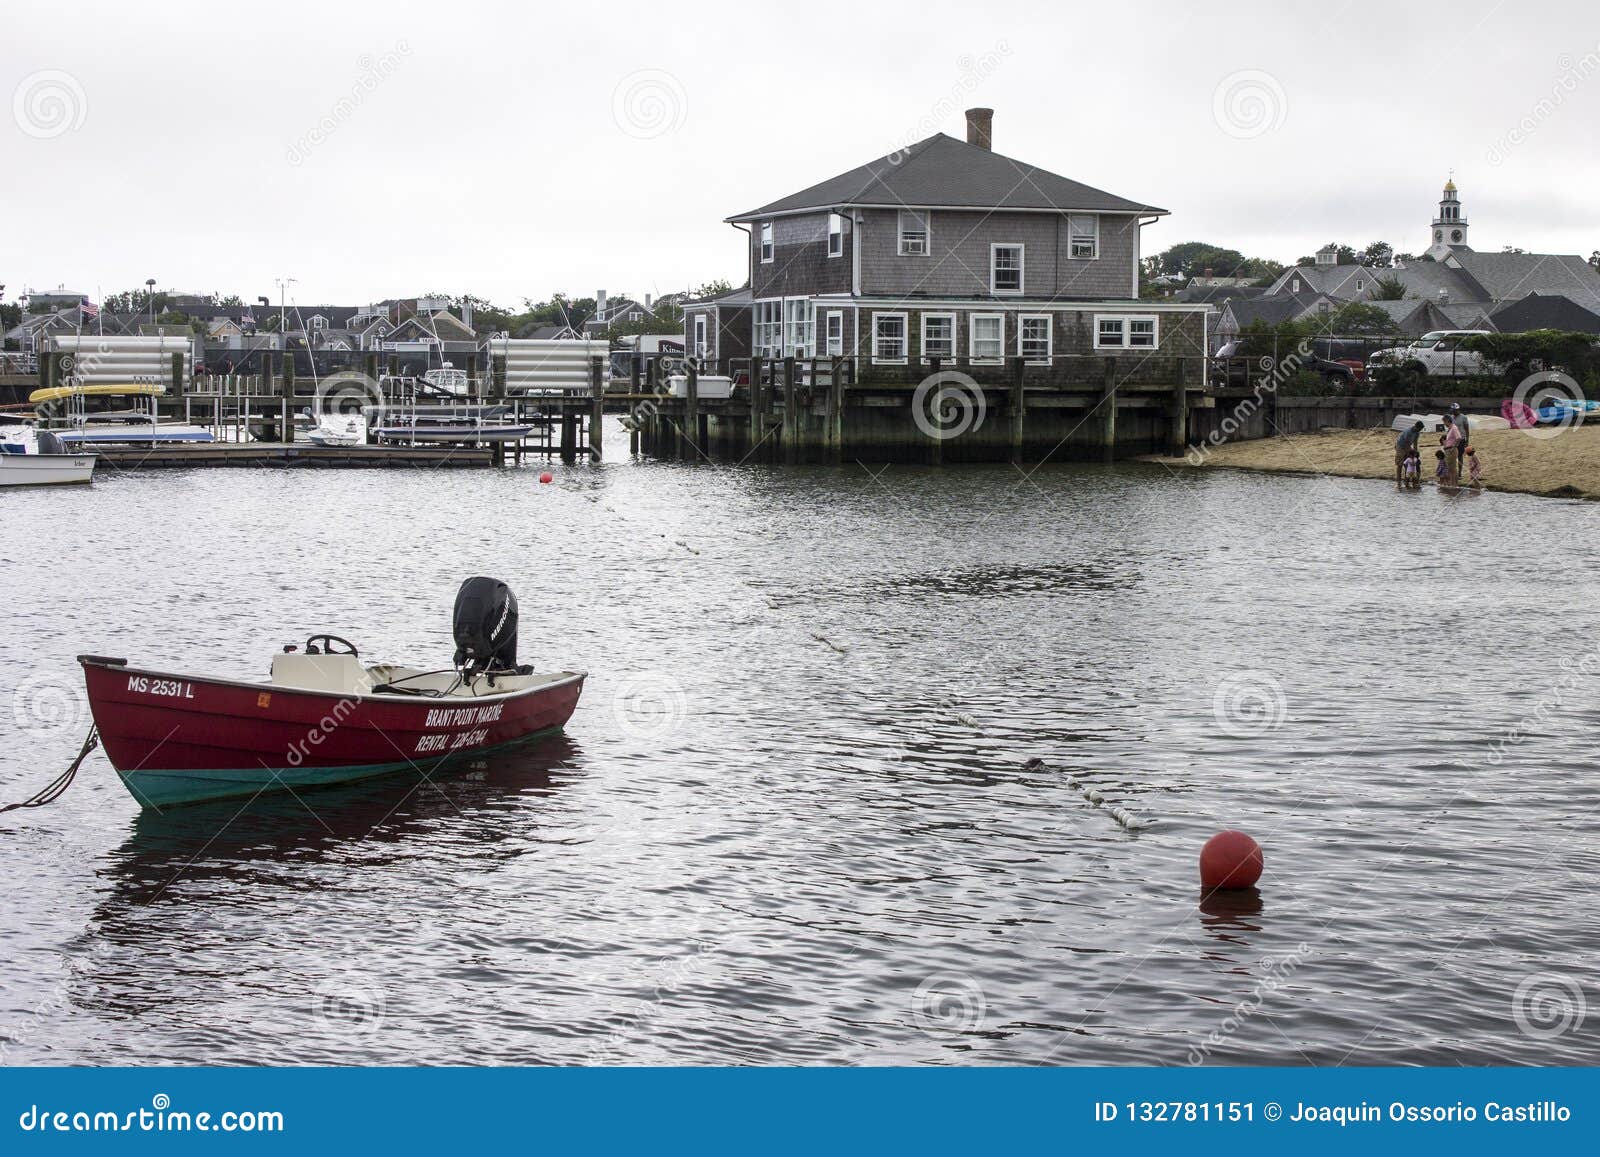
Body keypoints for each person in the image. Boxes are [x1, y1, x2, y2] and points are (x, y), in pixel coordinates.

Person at [1395, 420, 1424, 485]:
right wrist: (1411, 452)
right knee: (1400, 463)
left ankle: (1406, 480)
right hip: (1400, 446)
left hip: (1407, 446)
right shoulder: (1408, 432)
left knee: (1407, 464)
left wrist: (1416, 453)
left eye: (1420, 430)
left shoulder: (1417, 432)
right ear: (1416, 427)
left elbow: (1415, 443)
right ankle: (1398, 481)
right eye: (1419, 429)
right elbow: (1407, 443)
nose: (1419, 431)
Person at [1450, 404, 1470, 474]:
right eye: (1452, 410)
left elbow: (1467, 429)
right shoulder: (1451, 417)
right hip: (1453, 439)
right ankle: (1453, 471)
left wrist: (1467, 440)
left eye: (1455, 410)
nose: (1453, 412)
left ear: (1458, 410)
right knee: (1452, 456)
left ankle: (1460, 472)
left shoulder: (1463, 417)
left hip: (1461, 439)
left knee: (1460, 456)